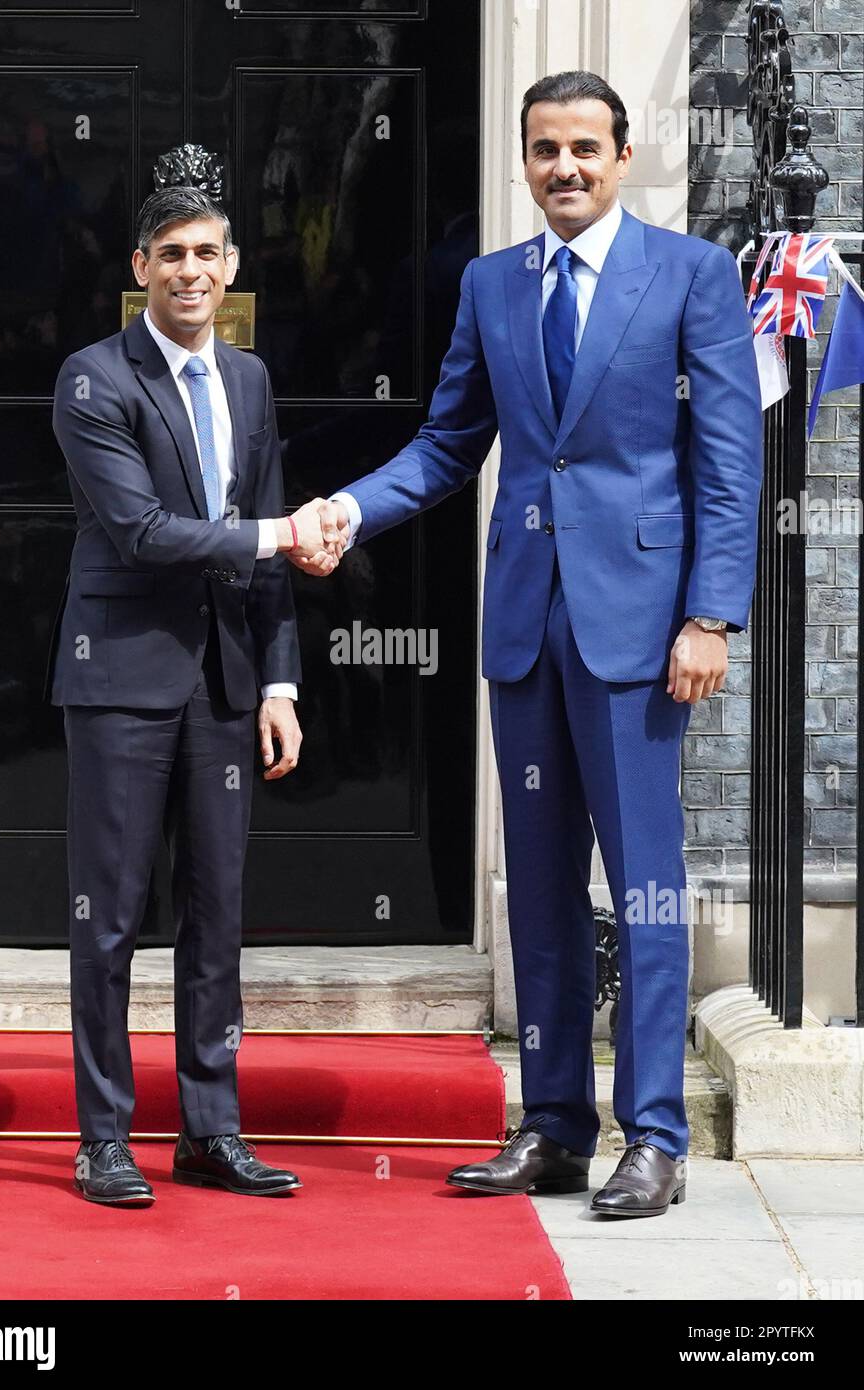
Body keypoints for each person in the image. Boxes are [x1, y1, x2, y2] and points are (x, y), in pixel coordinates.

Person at [304, 71, 763, 1217]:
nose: (564, 168)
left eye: (584, 149)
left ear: (621, 157)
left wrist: (710, 613)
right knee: (542, 885)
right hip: (525, 620)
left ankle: (653, 1130)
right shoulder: (492, 284)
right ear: (524, 161)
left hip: (643, 627)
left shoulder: (690, 274)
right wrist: (350, 508)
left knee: (645, 886)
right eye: (544, 150)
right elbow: (450, 441)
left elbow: (726, 459)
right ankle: (554, 1123)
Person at [45, 185, 348, 1206]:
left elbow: (260, 522)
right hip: (123, 677)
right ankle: (104, 1138)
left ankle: (211, 1130)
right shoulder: (92, 381)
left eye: (207, 254)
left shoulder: (251, 380)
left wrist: (279, 679)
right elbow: (145, 533)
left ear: (229, 269)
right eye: (169, 254)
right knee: (112, 914)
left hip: (225, 682)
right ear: (140, 268)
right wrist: (285, 535)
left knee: (217, 916)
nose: (189, 272)